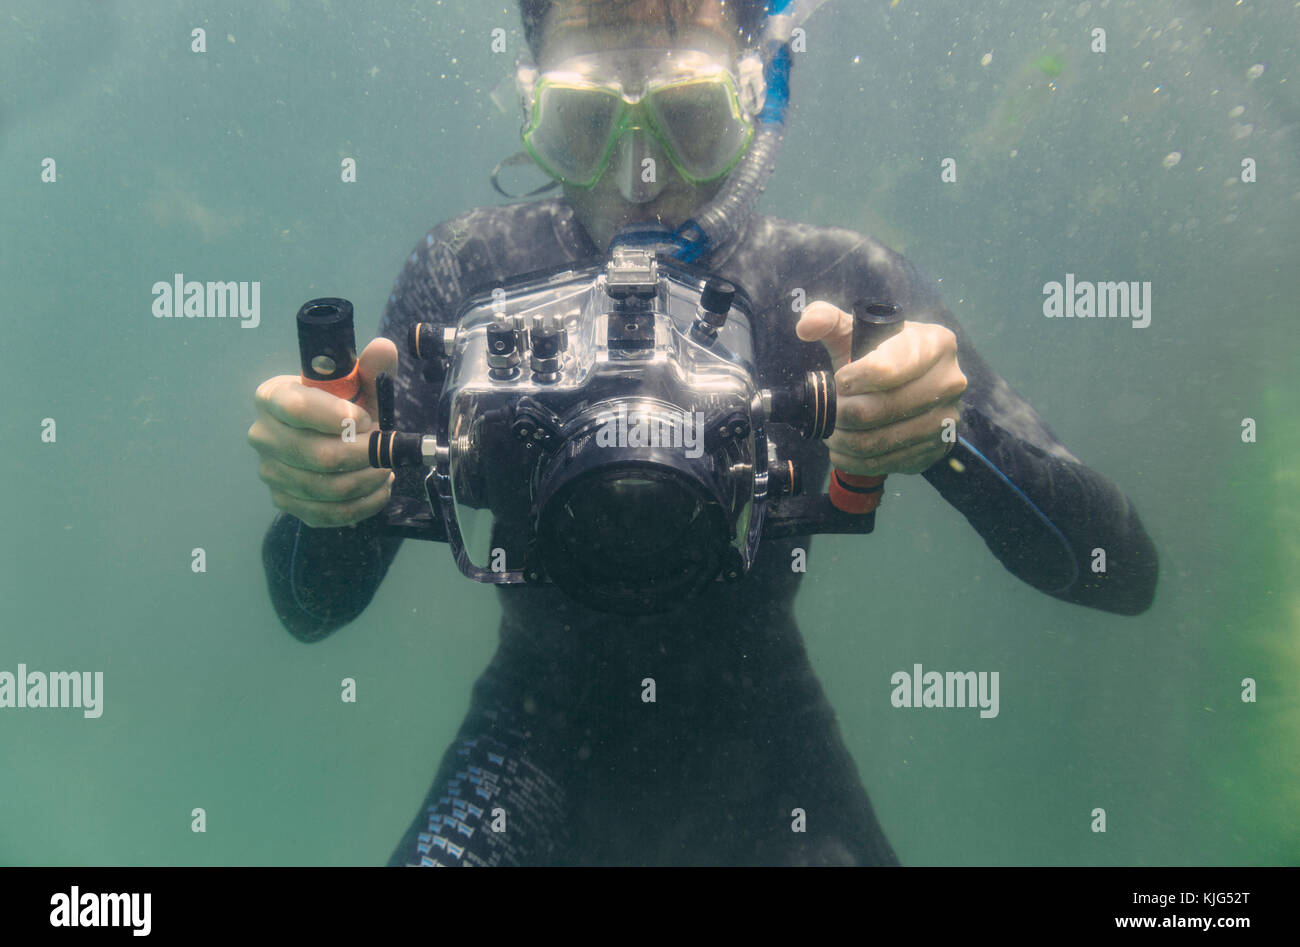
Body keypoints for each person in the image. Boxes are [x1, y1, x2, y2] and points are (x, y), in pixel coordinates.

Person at [247, 0, 1158, 866]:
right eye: (582, 125)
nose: (638, 177)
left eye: (689, 119)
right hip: (530, 740)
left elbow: (1121, 572)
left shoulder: (833, 288)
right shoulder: (469, 276)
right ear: (531, 107)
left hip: (764, 744)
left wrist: (947, 435)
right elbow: (313, 607)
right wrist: (325, 488)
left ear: (751, 105)